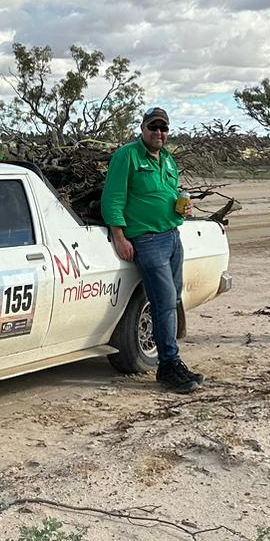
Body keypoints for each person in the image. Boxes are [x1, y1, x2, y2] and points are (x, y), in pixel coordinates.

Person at [101, 106, 202, 394]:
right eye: (153, 127)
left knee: (171, 300)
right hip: (146, 240)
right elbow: (113, 197)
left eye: (163, 128)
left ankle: (172, 362)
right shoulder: (128, 155)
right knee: (164, 300)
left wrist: (182, 207)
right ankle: (168, 365)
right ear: (142, 129)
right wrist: (119, 236)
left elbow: (171, 194)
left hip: (172, 236)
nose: (159, 133)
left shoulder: (168, 160)